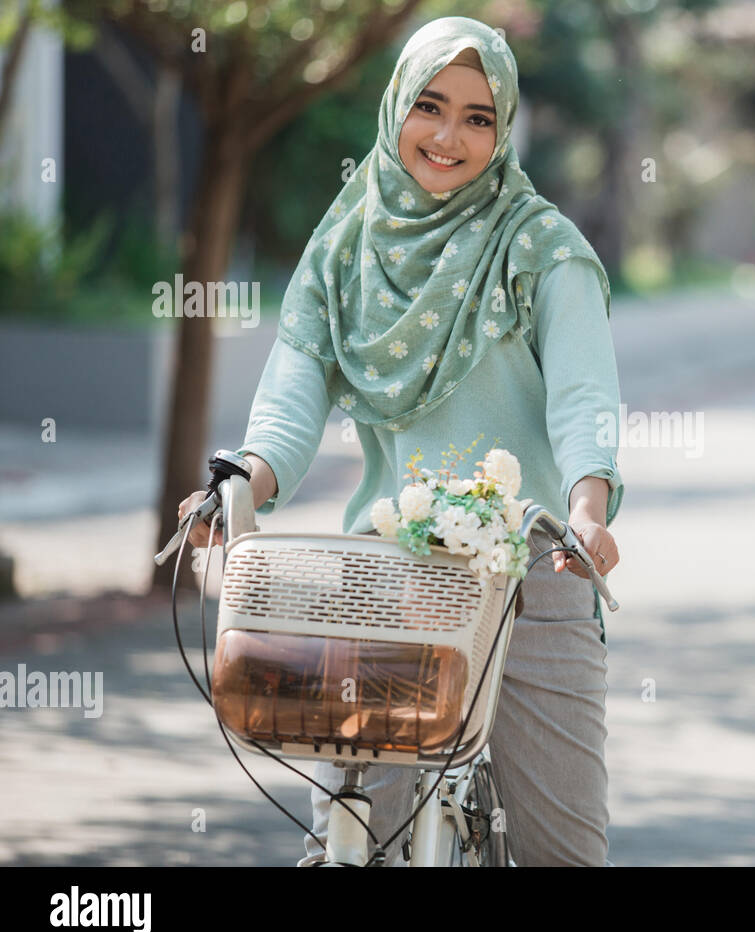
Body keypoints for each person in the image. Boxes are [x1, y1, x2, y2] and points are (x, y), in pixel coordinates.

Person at [176, 16, 625, 863]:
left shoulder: (542, 249)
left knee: (564, 853)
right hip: (387, 579)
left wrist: (588, 509)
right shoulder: (344, 252)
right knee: (349, 845)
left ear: (505, 128)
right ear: (394, 110)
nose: (450, 137)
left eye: (480, 117)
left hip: (533, 567)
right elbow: (292, 395)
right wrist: (243, 482)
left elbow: (583, 400)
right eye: (430, 106)